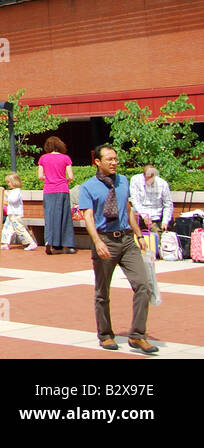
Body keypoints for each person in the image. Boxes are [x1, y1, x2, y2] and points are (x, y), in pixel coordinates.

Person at [77, 144, 157, 354]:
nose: (114, 163)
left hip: (127, 240)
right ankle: (105, 335)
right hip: (105, 240)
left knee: (143, 285)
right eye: (109, 159)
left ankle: (138, 335)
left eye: (115, 159)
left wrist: (139, 234)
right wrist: (97, 242)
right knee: (102, 293)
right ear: (97, 162)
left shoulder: (123, 181)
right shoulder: (88, 187)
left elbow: (127, 209)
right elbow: (88, 217)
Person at [37, 136, 75, 254]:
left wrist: (49, 178)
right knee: (64, 216)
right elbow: (71, 177)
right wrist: (63, 180)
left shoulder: (43, 158)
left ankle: (49, 241)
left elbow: (40, 176)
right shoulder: (65, 158)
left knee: (49, 216)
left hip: (49, 190)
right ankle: (67, 244)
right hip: (62, 189)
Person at [130, 165, 174, 238]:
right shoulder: (135, 180)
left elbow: (168, 204)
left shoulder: (162, 184)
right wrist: (145, 216)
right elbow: (135, 201)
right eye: (147, 177)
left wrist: (165, 221)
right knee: (131, 215)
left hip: (156, 216)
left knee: (157, 238)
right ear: (143, 175)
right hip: (140, 214)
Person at [1, 173, 38, 251]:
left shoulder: (17, 191)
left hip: (16, 214)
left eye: (9, 182)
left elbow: (13, 200)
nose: (8, 184)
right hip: (10, 214)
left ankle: (31, 242)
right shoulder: (12, 191)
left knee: (19, 229)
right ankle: (5, 243)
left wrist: (7, 195)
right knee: (7, 229)